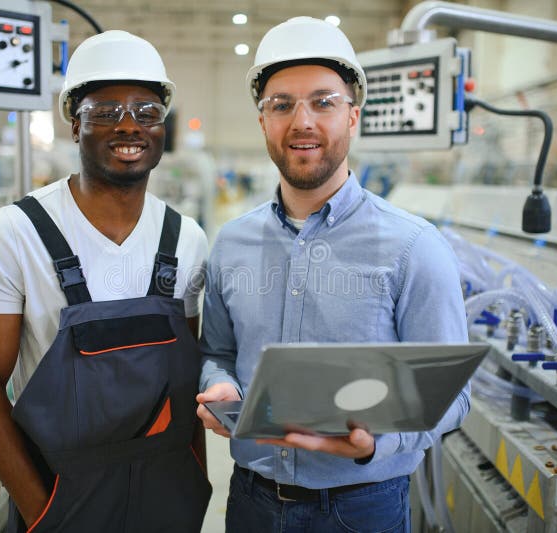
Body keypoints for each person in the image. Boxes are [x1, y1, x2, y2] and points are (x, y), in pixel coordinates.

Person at [196, 17, 469, 533]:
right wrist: (222, 387)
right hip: (252, 501)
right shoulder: (231, 243)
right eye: (282, 105)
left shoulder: (414, 247)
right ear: (263, 121)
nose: (302, 122)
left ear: (353, 116)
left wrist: (378, 443)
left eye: (323, 102)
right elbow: (217, 352)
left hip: (363, 507)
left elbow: (453, 395)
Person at [0, 31, 210, 532]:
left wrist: (194, 486)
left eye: (147, 112)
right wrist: (42, 513)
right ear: (75, 125)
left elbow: (185, 385)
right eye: (105, 112)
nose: (129, 126)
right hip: (59, 498)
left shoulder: (187, 240)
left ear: (163, 126)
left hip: (167, 499)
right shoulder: (15, 235)